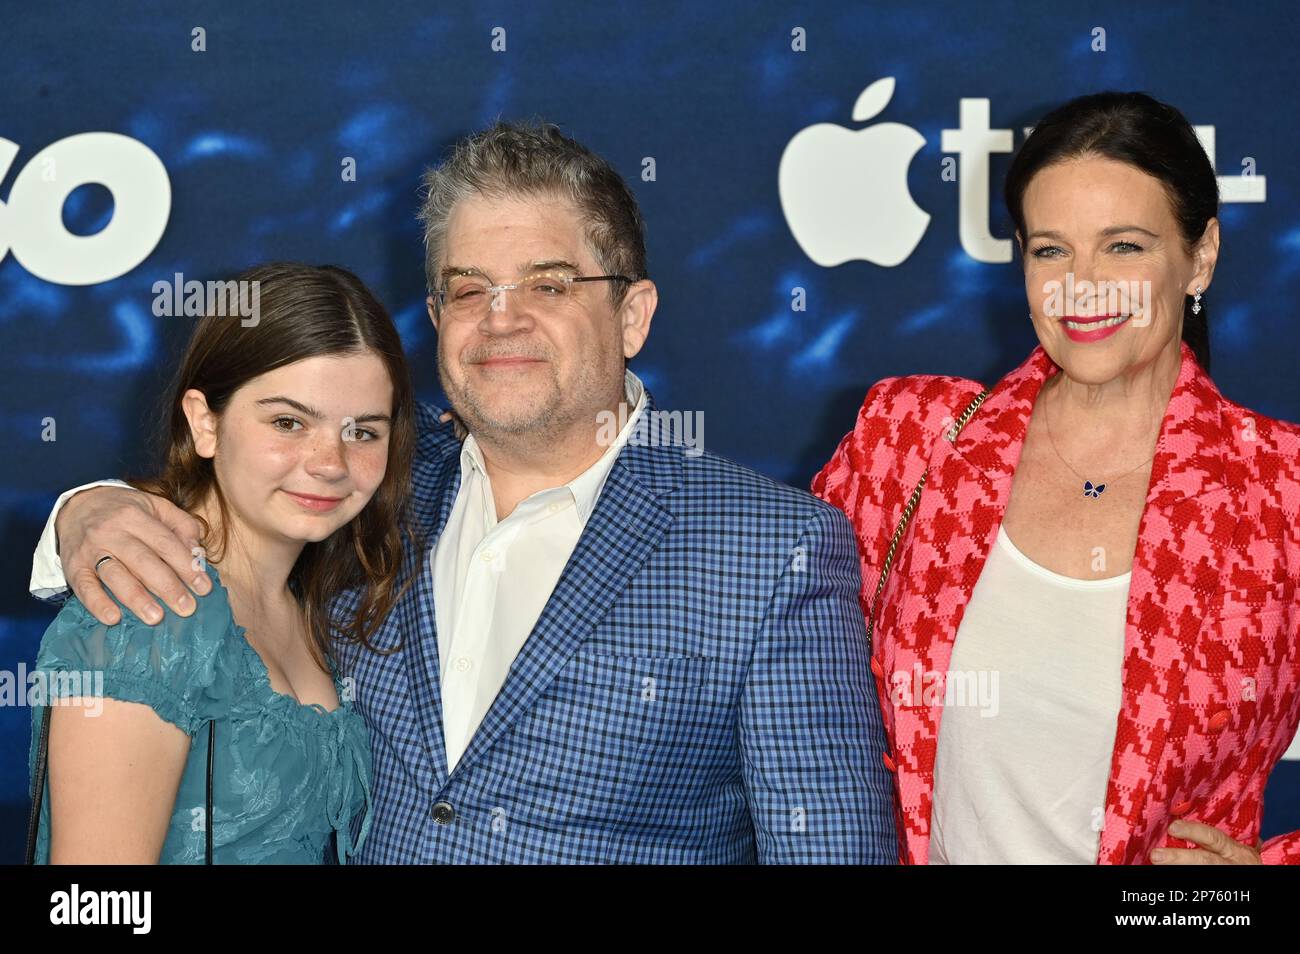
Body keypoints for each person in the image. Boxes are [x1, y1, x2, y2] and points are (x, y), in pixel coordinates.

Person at [30, 121, 896, 863]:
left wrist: (86, 508)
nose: (502, 318)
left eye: (549, 285)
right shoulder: (377, 495)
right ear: (438, 316)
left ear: (632, 316)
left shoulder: (771, 549)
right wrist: (87, 511)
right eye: (469, 288)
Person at [813, 91, 1300, 865]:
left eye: (1125, 247)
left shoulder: (1282, 490)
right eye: (1051, 250)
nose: (1083, 285)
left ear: (1200, 255)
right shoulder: (909, 439)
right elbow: (768, 688)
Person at [27, 262, 417, 863]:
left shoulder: (323, 602)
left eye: (363, 432)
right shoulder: (147, 610)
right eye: (288, 422)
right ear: (204, 423)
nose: (330, 462)